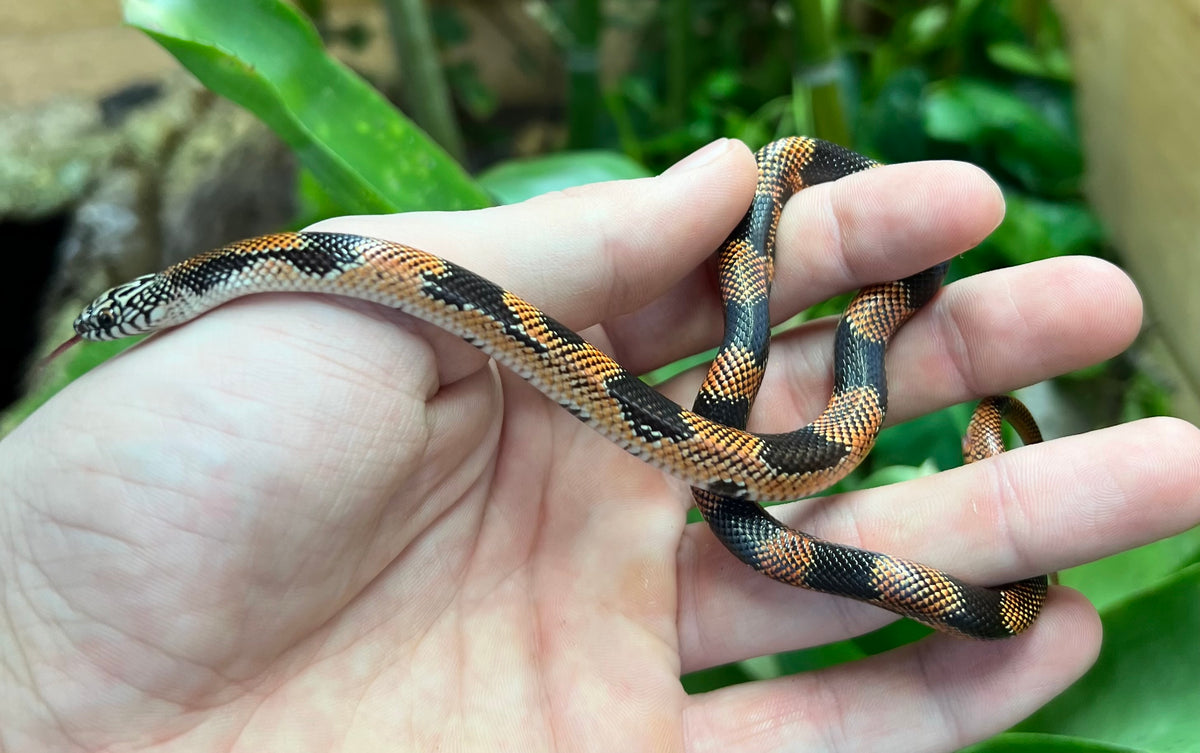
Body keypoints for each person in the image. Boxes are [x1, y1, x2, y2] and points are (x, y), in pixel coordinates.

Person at [3, 139, 1197, 752]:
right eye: (120, 317)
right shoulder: (331, 276)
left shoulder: (338, 268)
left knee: (772, 360)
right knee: (751, 466)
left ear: (168, 299)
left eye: (122, 316)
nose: (112, 331)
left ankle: (801, 219)